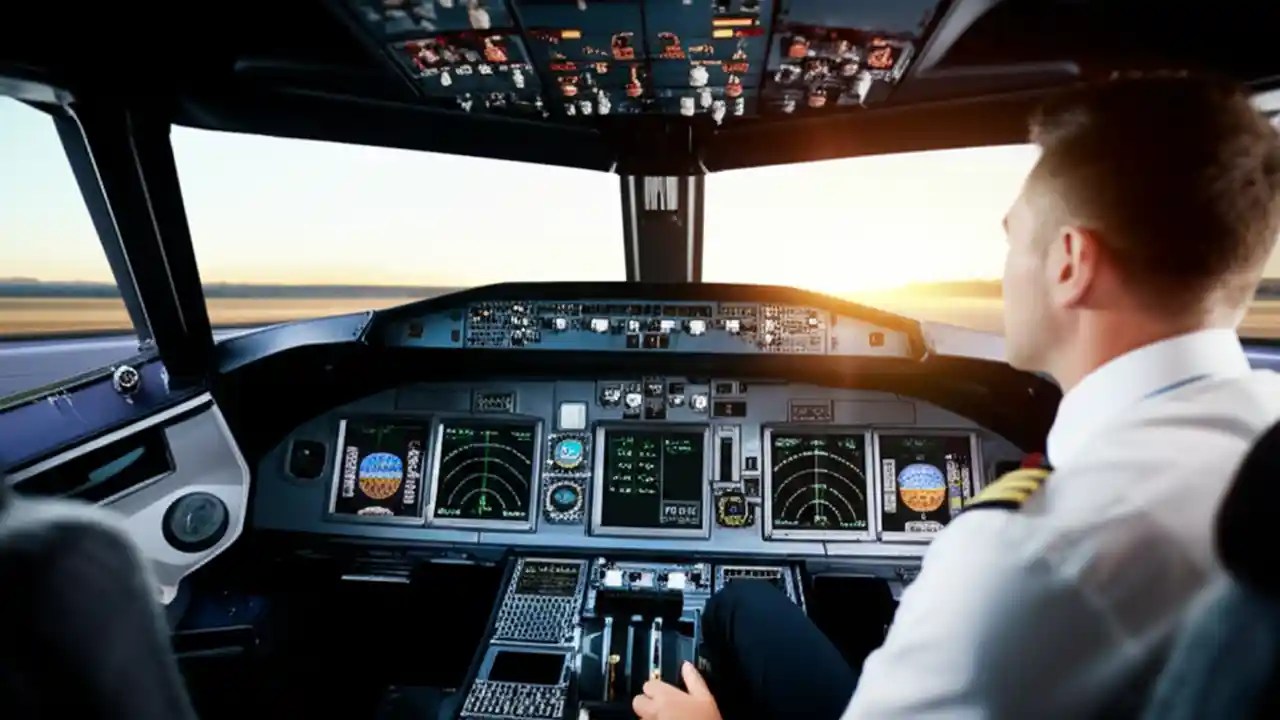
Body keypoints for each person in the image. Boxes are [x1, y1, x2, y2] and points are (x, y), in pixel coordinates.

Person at [632, 74, 1280, 720]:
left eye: (1013, 239)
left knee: (735, 609)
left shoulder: (1026, 556)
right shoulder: (1267, 425)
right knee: (746, 602)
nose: (1004, 272)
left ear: (1069, 263)